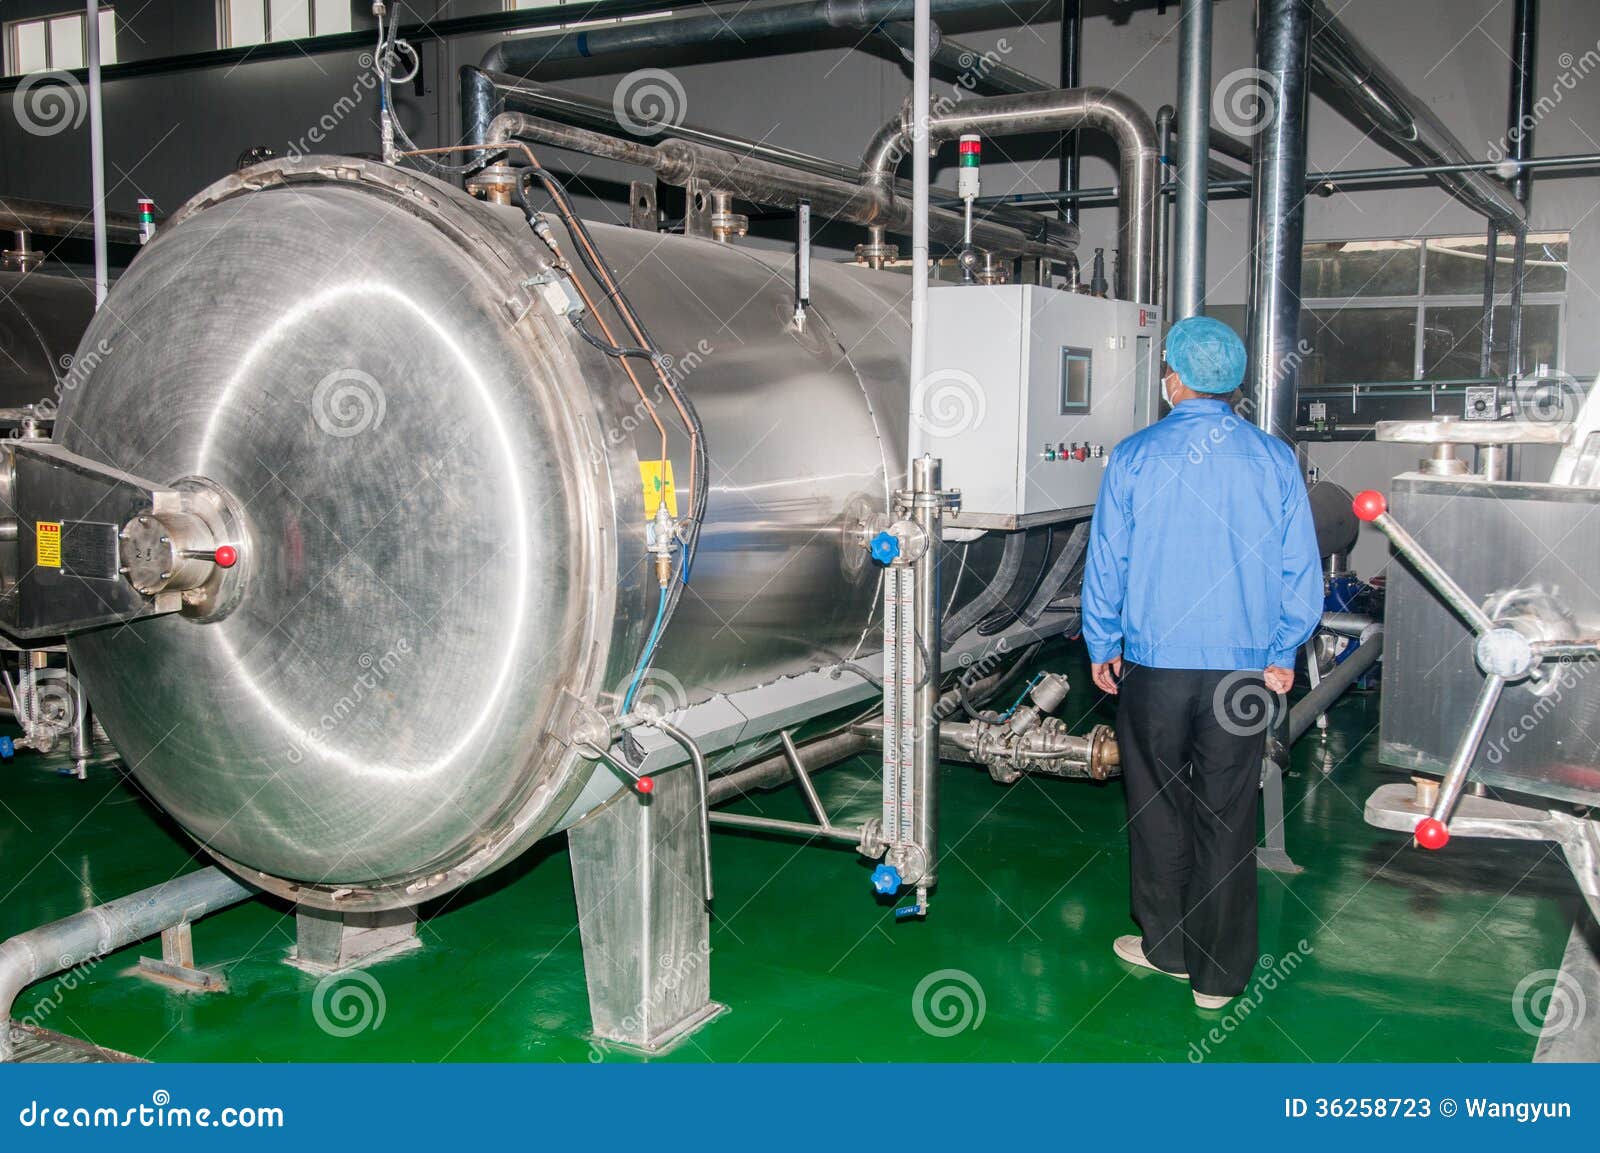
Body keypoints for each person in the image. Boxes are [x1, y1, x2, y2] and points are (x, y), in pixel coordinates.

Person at [1080, 315, 1322, 1010]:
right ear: (1235, 380)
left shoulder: (1133, 455)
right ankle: (1218, 978)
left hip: (1153, 667)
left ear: (1176, 379)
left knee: (1156, 805)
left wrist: (1103, 643)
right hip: (1241, 675)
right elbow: (1298, 571)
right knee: (1225, 815)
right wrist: (1282, 654)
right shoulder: (1273, 458)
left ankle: (1168, 947)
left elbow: (1107, 566)